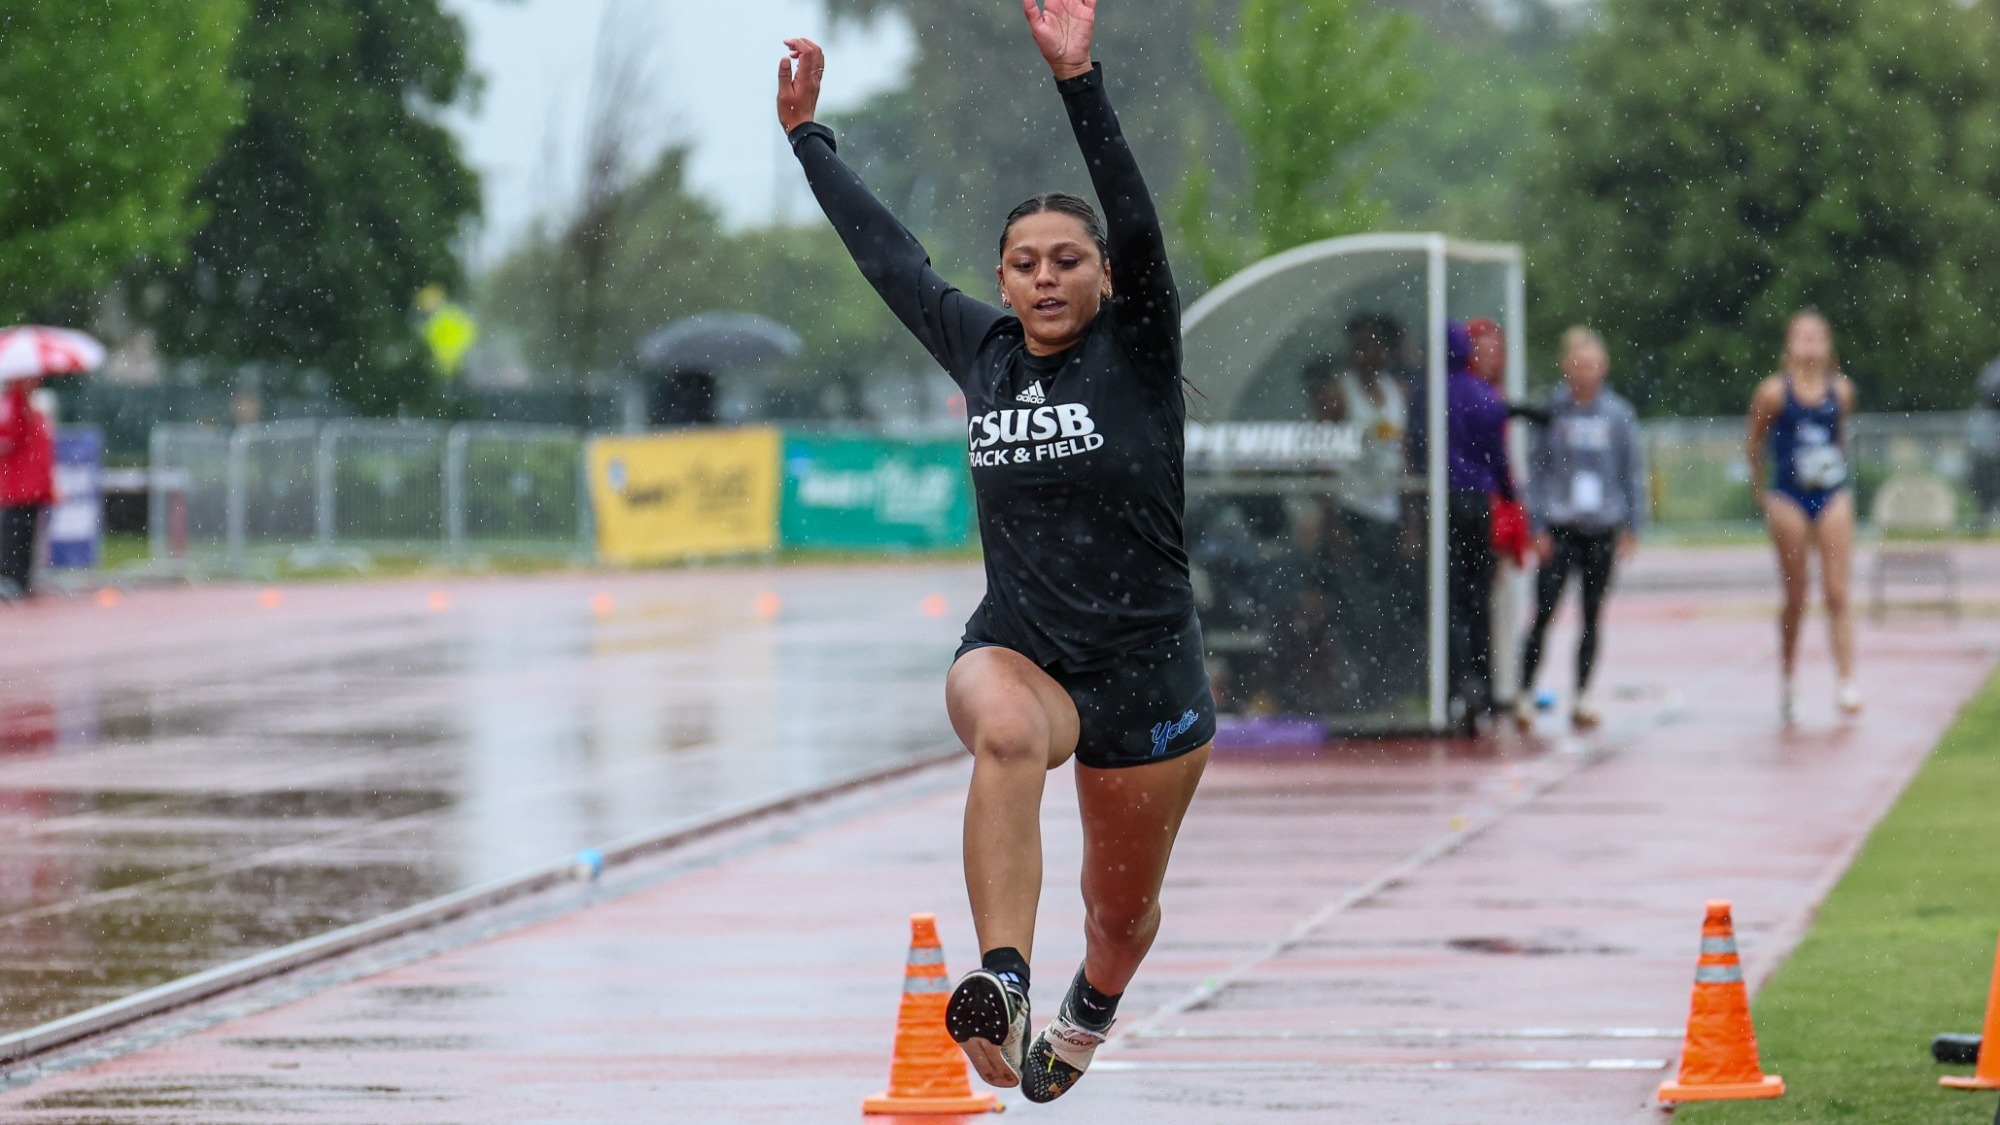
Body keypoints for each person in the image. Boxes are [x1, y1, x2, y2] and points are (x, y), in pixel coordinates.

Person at [777, 0, 1211, 1103]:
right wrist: (806, 140)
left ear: (1103, 278)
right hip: (1019, 648)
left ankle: (1086, 1008)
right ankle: (1004, 981)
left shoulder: (1140, 348)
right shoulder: (981, 348)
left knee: (1117, 918)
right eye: (1024, 264)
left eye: (1069, 260)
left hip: (1144, 672)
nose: (1046, 278)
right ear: (1004, 279)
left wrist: (1079, 83)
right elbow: (889, 259)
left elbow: (1139, 223)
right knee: (1005, 731)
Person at [1514, 328, 1645, 731]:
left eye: (1592, 365)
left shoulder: (1618, 415)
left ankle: (1582, 695)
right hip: (1561, 526)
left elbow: (1631, 471)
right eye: (1578, 364)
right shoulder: (1552, 411)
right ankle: (1524, 693)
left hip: (1601, 527)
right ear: (1566, 366)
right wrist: (1536, 525)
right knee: (1544, 613)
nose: (1585, 373)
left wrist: (1632, 525)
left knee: (1592, 614)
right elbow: (1535, 471)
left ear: (1603, 368)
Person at [1746, 309, 1861, 724]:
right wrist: (1765, 496)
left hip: (1830, 493)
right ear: (1789, 344)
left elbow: (1840, 438)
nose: (1810, 346)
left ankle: (1847, 680)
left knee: (1837, 593)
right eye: (1803, 338)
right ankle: (1789, 680)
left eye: (1818, 338)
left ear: (1828, 344)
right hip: (1789, 496)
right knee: (1796, 597)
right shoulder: (1774, 394)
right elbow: (1753, 443)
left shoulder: (1841, 391)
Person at [1408, 321, 1515, 732]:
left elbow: (1416, 449)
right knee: (1477, 596)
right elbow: (1497, 456)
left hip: (1441, 501)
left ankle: (1457, 681)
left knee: (1448, 597)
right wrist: (1507, 490)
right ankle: (1482, 685)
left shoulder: (1425, 394)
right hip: (1476, 502)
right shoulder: (1481, 395)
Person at [0, 376, 56, 601]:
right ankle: (11, 579)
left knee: (25, 536)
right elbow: (10, 439)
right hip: (18, 488)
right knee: (15, 535)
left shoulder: (30, 408)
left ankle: (20, 581)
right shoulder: (14, 406)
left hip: (31, 488)